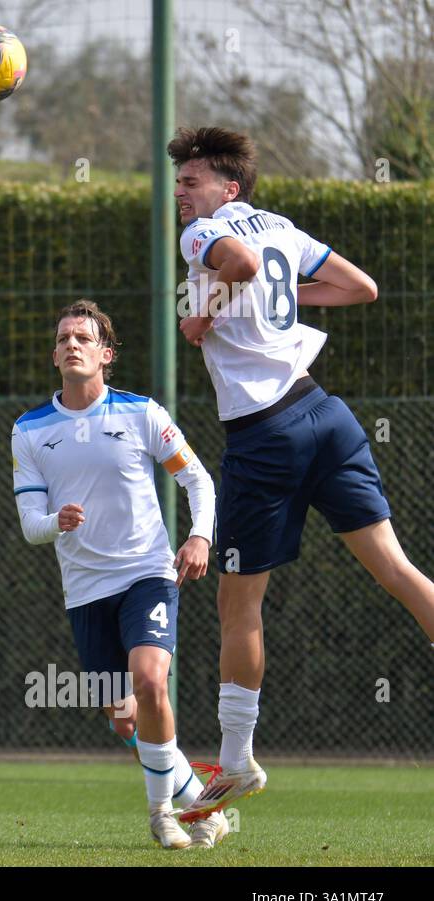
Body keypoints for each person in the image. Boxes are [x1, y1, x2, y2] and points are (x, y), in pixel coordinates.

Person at [169, 126, 434, 823]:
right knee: (398, 572)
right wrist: (268, 300)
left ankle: (235, 763)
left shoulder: (203, 234)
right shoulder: (283, 225)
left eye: (190, 182)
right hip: (327, 416)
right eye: (178, 183)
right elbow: (360, 288)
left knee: (238, 605)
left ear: (228, 188)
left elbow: (244, 266)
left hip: (265, 436)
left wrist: (202, 312)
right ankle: (234, 763)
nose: (180, 194)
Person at [12, 299, 224, 849]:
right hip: (84, 590)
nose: (70, 345)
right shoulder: (30, 430)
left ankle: (162, 815)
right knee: (126, 718)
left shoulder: (141, 413)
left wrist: (200, 535)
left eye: (82, 338)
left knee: (152, 681)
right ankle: (196, 795)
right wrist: (55, 522)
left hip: (147, 574)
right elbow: (30, 525)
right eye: (62, 339)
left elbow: (198, 481)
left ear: (105, 355)